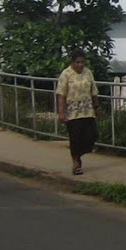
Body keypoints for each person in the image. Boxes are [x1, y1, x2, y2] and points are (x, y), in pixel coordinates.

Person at [55, 48, 100, 176]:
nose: (80, 65)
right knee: (75, 138)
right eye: (78, 62)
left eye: (82, 62)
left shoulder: (88, 73)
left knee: (92, 136)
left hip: (87, 110)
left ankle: (79, 153)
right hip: (73, 112)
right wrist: (61, 112)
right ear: (73, 62)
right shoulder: (66, 74)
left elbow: (94, 90)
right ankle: (76, 162)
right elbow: (61, 94)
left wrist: (97, 106)